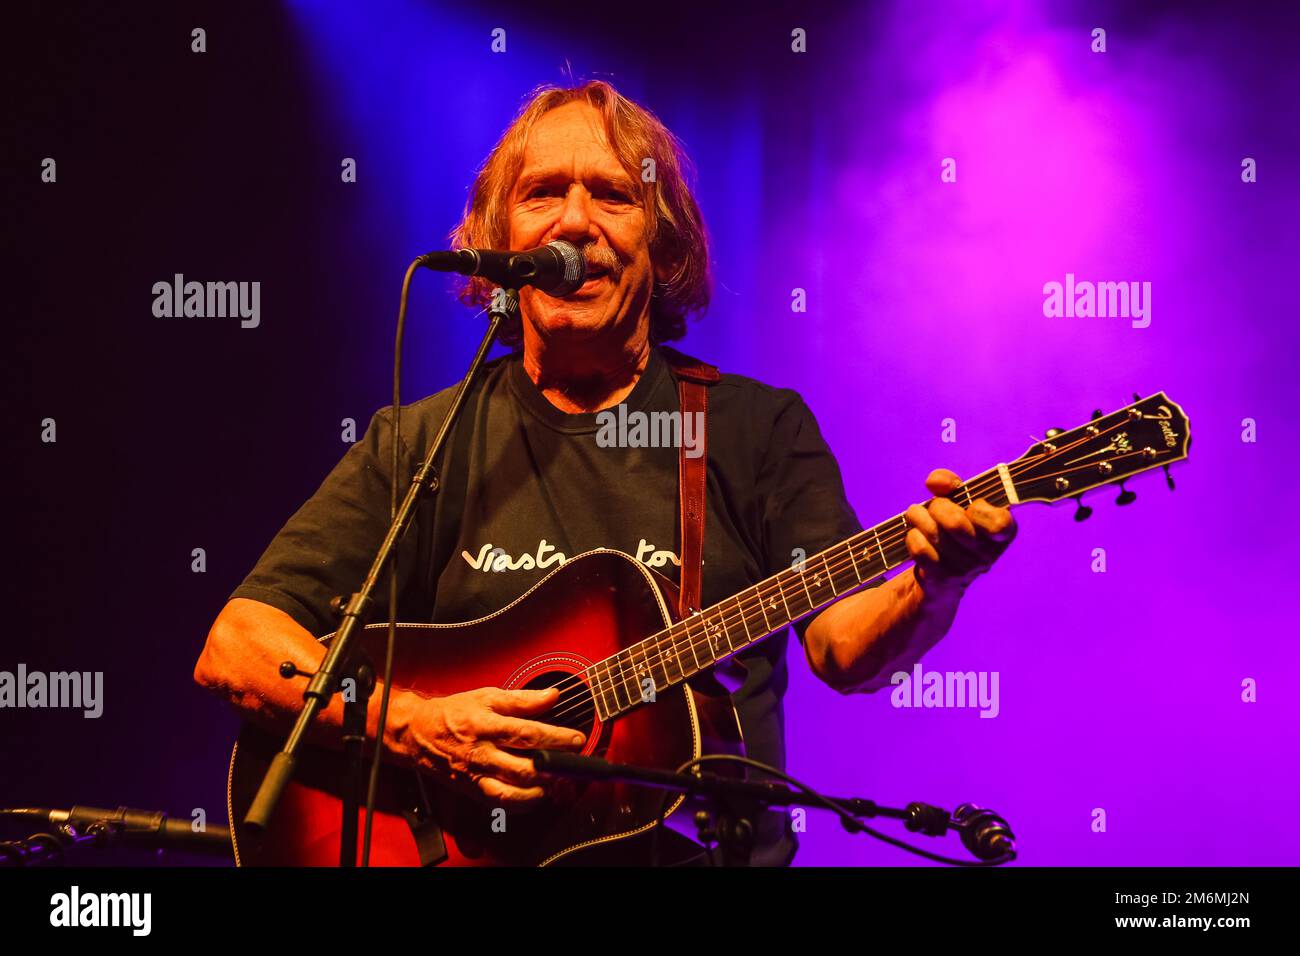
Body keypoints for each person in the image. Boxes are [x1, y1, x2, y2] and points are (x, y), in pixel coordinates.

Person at [193, 80, 1017, 866]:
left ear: (662, 251)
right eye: (542, 193)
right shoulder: (421, 441)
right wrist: (412, 723)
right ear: (498, 242)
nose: (575, 223)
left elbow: (845, 651)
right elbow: (237, 648)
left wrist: (933, 585)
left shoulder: (754, 431)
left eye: (615, 196)